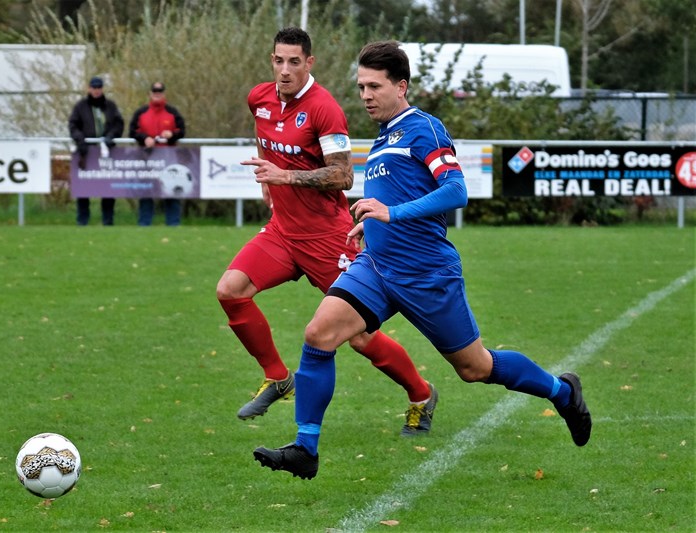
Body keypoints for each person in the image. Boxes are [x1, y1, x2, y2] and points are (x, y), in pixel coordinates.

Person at [253, 40, 592, 480]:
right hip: (377, 265)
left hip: (425, 271)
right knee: (319, 334)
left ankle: (561, 392)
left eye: (375, 86)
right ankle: (305, 448)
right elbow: (393, 195)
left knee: (475, 368)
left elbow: (456, 192)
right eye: (360, 87)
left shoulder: (424, 128)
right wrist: (370, 225)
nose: (366, 95)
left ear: (402, 86)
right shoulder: (383, 137)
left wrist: (391, 214)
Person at [217, 28, 436, 437]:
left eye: (294, 62)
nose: (285, 70)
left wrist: (285, 176)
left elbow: (343, 176)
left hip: (328, 237)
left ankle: (421, 395)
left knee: (360, 337)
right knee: (230, 290)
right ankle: (278, 378)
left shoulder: (324, 109)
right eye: (278, 61)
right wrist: (269, 178)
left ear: (309, 63)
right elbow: (267, 140)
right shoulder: (259, 98)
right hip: (283, 232)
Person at [68, 76, 125, 226]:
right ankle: (82, 221)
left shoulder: (110, 106)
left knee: (107, 188)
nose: (96, 90)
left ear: (102, 89)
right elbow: (73, 126)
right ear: (89, 89)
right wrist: (81, 141)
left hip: (107, 152)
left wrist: (110, 137)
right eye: (94, 87)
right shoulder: (80, 106)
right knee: (83, 189)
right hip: (86, 152)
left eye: (99, 87)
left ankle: (108, 221)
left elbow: (119, 124)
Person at [128, 81, 186, 226]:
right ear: (150, 94)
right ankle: (144, 224)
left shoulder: (172, 112)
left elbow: (181, 131)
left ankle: (173, 224)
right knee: (147, 191)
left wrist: (171, 135)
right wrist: (144, 138)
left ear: (163, 94)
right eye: (155, 92)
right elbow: (132, 131)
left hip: (168, 159)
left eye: (159, 92)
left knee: (171, 190)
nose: (157, 95)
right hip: (147, 159)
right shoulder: (141, 113)